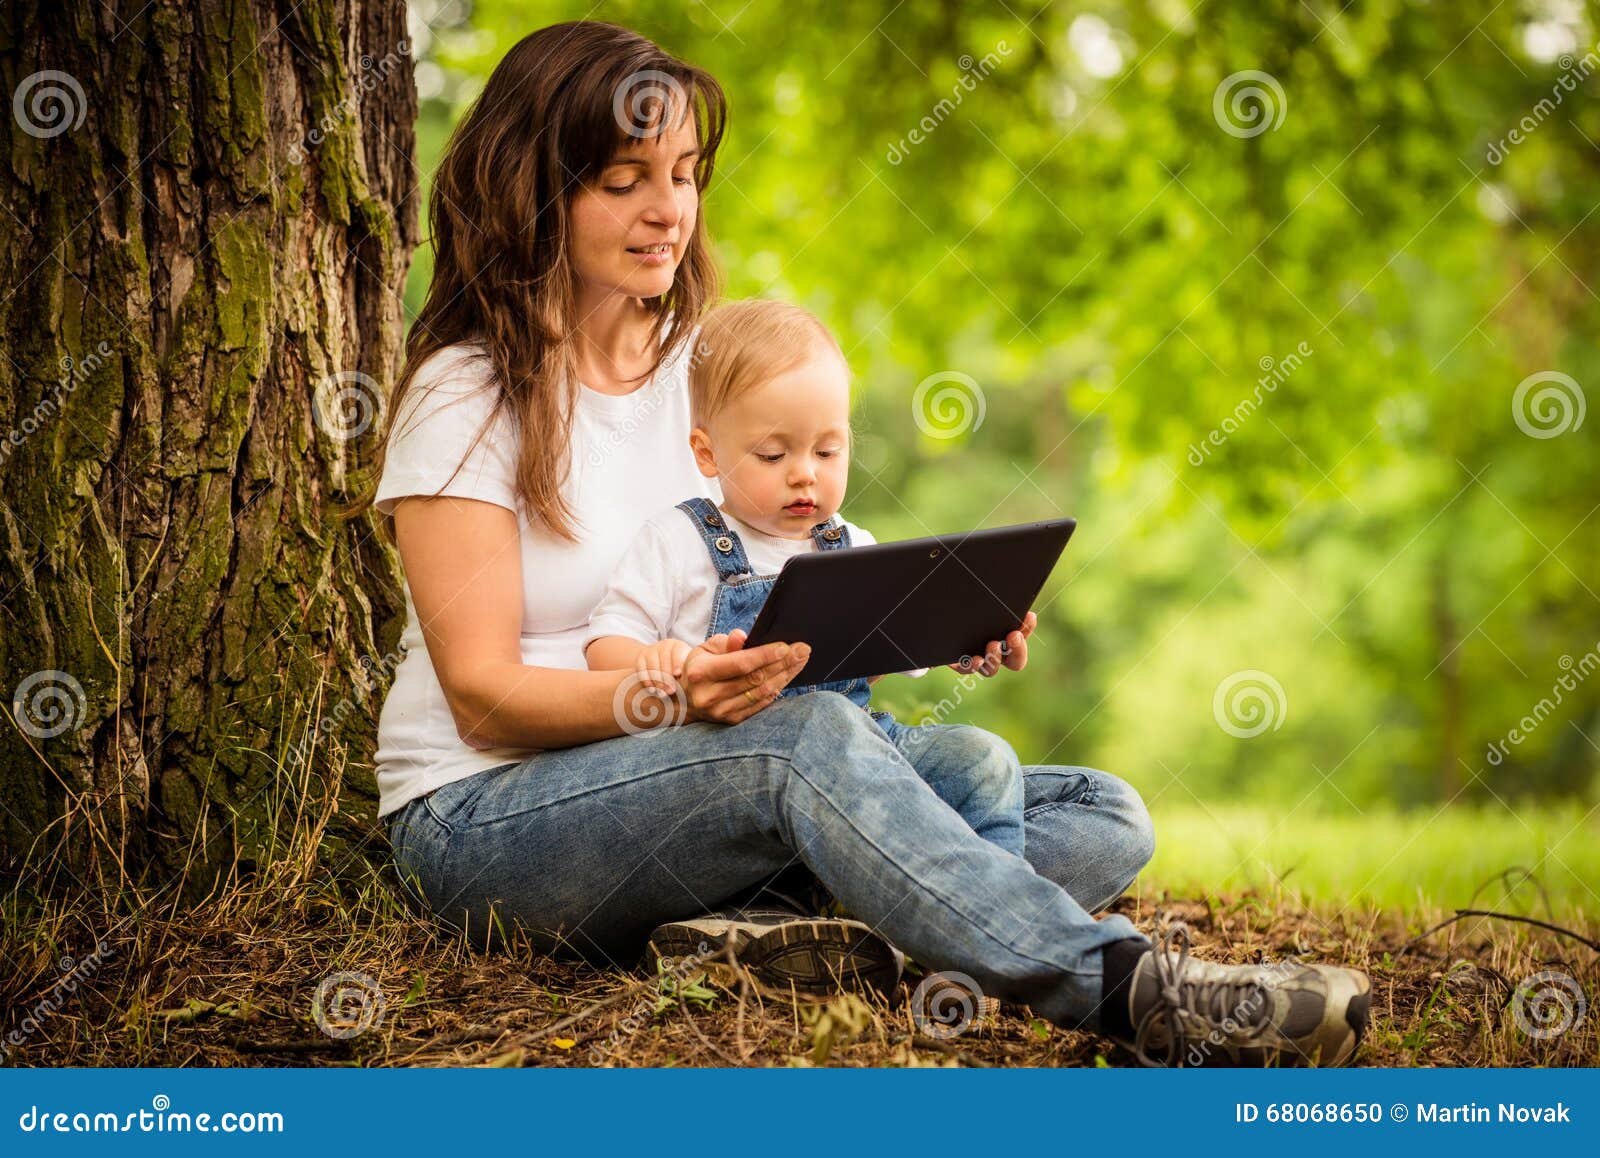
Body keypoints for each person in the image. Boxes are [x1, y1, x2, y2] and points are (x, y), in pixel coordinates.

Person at [364, 19, 1370, 1065]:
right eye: (624, 181)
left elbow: (784, 565)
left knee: (1096, 809)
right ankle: (1130, 992)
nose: (668, 211)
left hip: (712, 778)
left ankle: (768, 929)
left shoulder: (698, 375)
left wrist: (935, 623)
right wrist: (670, 696)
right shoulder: (469, 390)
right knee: (808, 748)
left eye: (683, 174)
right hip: (489, 823)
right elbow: (480, 692)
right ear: (538, 189)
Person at [582, 297, 1027, 872]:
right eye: (772, 453)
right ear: (707, 452)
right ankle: (908, 890)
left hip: (866, 762)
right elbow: (603, 644)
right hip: (739, 776)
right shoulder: (677, 540)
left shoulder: (850, 544)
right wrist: (661, 664)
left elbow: (897, 646)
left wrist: (970, 639)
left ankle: (986, 899)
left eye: (827, 450)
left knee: (983, 761)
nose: (804, 473)